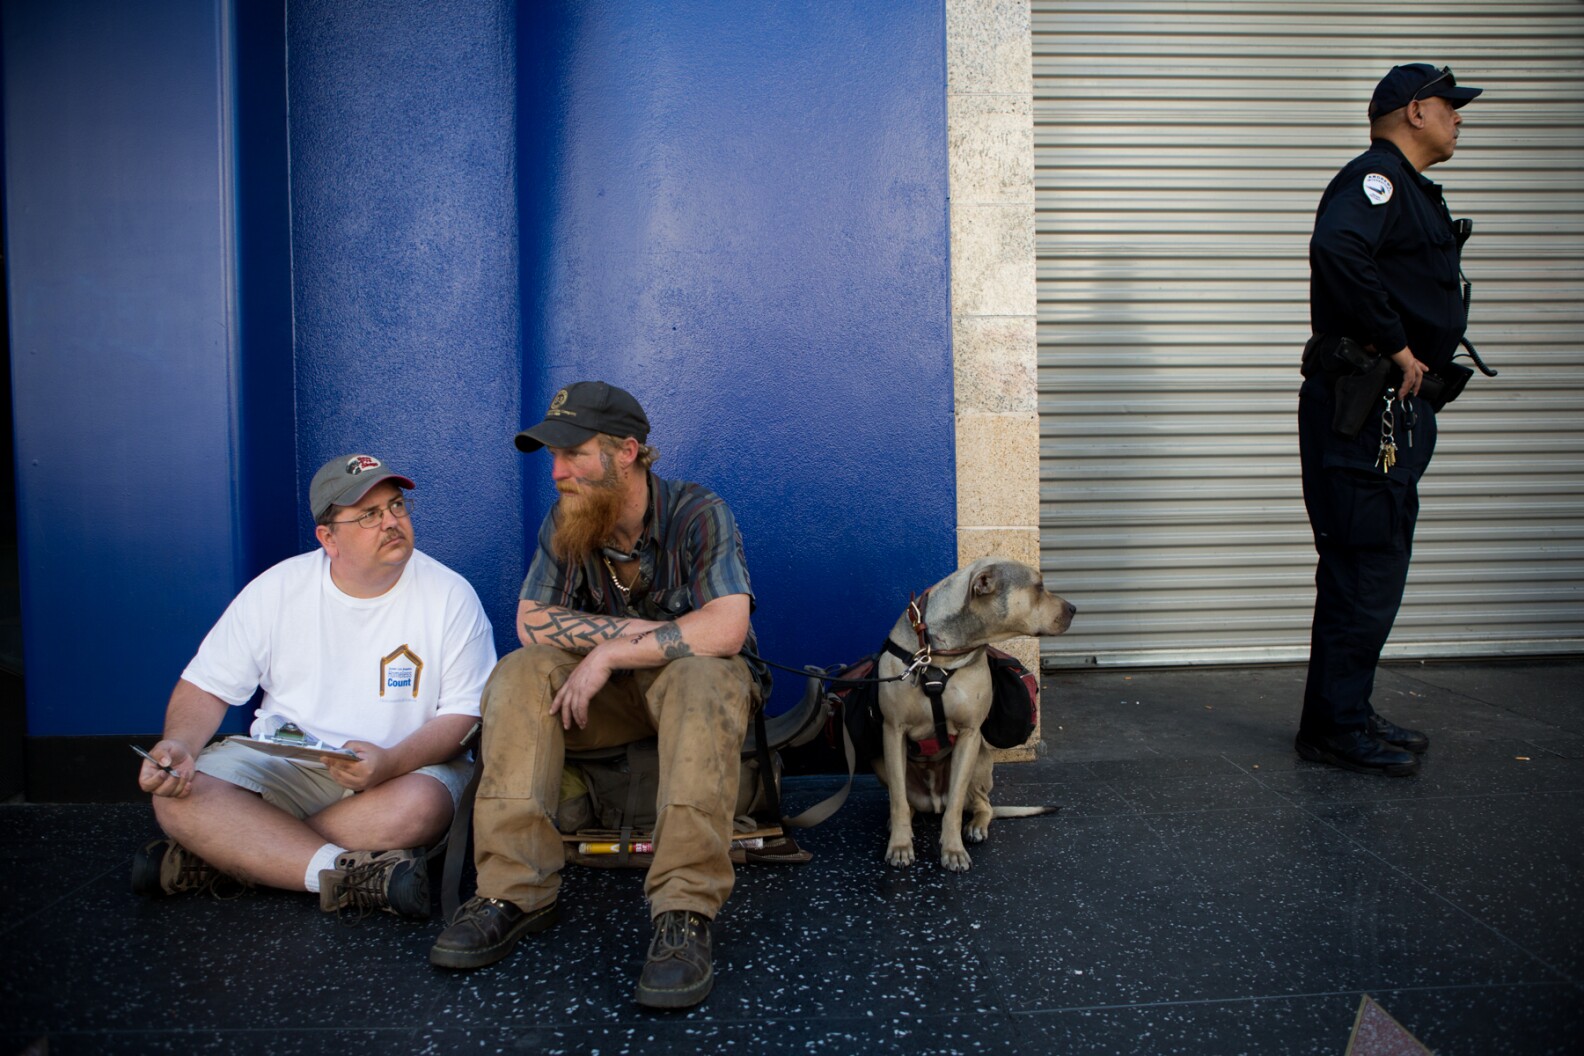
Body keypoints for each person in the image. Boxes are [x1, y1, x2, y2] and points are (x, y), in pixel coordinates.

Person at [428, 381, 766, 1011]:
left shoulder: (697, 511)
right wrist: (637, 639)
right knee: (520, 672)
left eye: (573, 454)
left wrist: (608, 652)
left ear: (627, 452)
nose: (557, 472)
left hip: (693, 696)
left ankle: (684, 911)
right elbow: (532, 622)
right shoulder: (569, 518)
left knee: (702, 673)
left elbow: (725, 628)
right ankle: (512, 890)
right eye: (553, 457)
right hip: (605, 706)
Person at [133, 454, 497, 917]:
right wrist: (180, 744)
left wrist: (390, 762)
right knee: (179, 801)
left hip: (404, 769)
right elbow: (206, 687)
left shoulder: (450, 595)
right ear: (328, 538)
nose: (391, 522)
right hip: (290, 764)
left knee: (419, 809)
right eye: (368, 515)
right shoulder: (277, 588)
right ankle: (345, 875)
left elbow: (465, 716)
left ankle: (230, 857)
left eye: (396, 506)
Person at [1296, 64, 1484, 776]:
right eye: (1449, 106)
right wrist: (1398, 344)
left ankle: (1345, 709)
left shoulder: (1406, 187)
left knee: (1376, 567)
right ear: (1414, 111)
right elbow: (1337, 248)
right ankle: (1335, 728)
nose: (1458, 118)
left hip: (1392, 411)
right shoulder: (1375, 179)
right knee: (1363, 568)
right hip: (1365, 406)